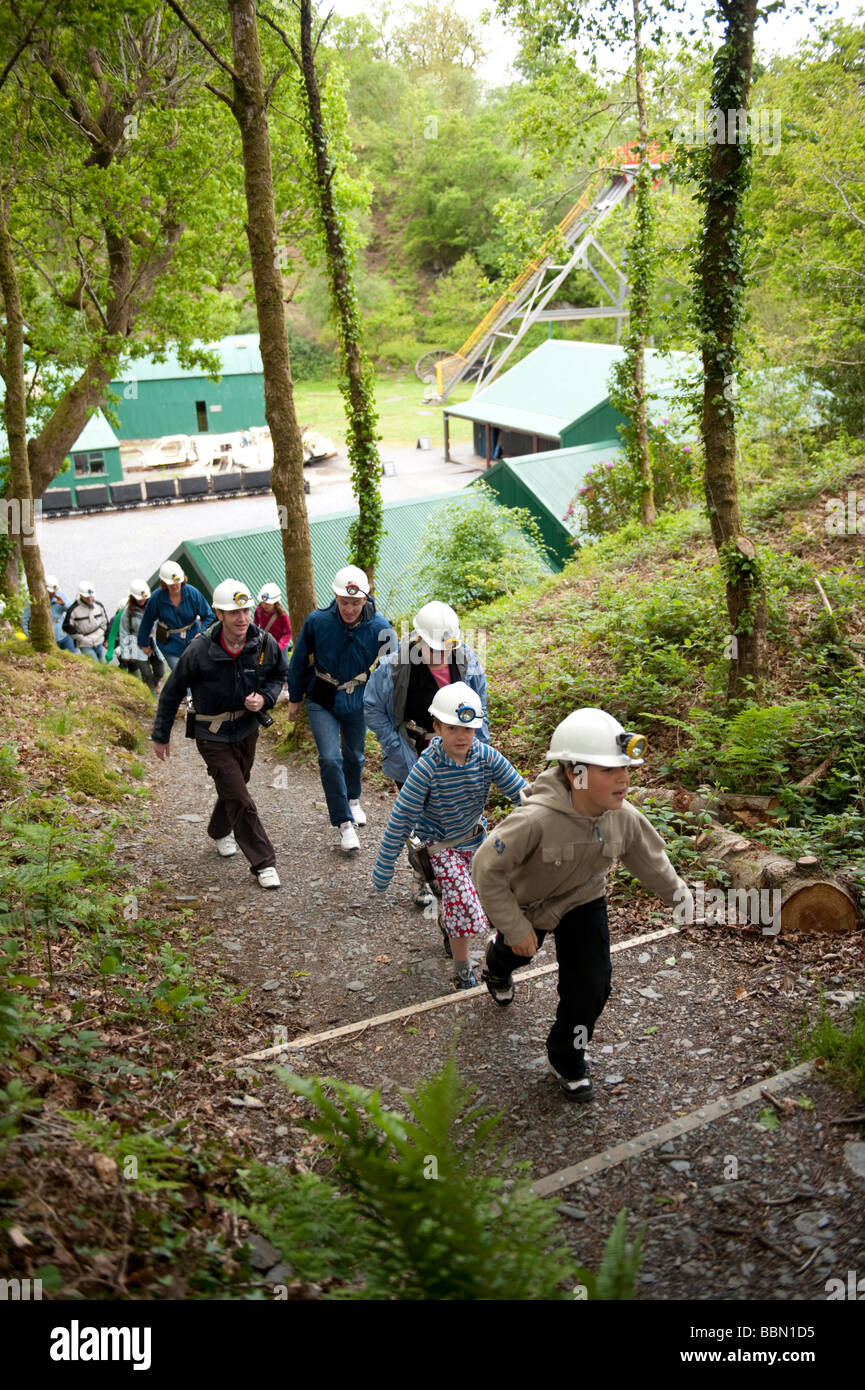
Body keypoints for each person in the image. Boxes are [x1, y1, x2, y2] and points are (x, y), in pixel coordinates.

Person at [472, 708, 694, 1102]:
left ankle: (566, 1054)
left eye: (626, 770)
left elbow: (651, 861)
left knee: (592, 983)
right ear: (576, 774)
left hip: (583, 898)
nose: (624, 779)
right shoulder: (535, 820)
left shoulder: (622, 818)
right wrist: (515, 926)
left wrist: (680, 898)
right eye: (610, 770)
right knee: (520, 953)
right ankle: (497, 961)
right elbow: (486, 867)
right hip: (530, 906)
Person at [371, 683, 526, 990]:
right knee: (465, 901)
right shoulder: (426, 767)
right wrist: (384, 865)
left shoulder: (487, 757)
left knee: (506, 895)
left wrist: (551, 815)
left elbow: (521, 792)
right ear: (437, 727)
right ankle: (461, 971)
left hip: (477, 839)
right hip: (440, 846)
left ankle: (496, 960)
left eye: (468, 729)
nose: (461, 736)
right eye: (452, 728)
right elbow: (402, 816)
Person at [151, 579, 287, 890]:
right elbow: (171, 693)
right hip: (211, 734)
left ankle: (218, 830)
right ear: (219, 614)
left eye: (245, 610)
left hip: (247, 729)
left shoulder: (263, 642)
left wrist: (265, 698)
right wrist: (161, 735)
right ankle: (264, 863)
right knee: (240, 796)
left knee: (236, 786)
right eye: (233, 612)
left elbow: (280, 674)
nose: (242, 618)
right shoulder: (199, 649)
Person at [364, 600, 488, 904]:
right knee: (420, 823)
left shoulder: (465, 659)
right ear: (417, 639)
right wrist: (396, 746)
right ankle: (424, 877)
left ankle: (454, 879)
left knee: (452, 821)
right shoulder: (396, 666)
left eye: (446, 648)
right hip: (412, 751)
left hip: (457, 751)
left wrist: (481, 753)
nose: (442, 655)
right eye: (435, 648)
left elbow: (479, 706)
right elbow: (372, 707)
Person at [287, 565, 395, 853]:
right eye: (344, 602)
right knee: (330, 758)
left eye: (355, 603)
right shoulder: (317, 621)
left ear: (366, 599)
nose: (349, 609)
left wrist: (391, 706)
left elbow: (393, 670)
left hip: (358, 697)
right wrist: (295, 698)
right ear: (335, 596)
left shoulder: (381, 628)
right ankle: (344, 823)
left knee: (355, 755)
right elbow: (298, 660)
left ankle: (354, 799)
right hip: (321, 698)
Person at [138, 561, 214, 673]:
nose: (175, 586)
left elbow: (208, 616)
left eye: (177, 582)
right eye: (171, 583)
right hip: (170, 645)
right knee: (182, 677)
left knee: (198, 675)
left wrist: (202, 633)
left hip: (193, 642)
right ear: (164, 582)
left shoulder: (193, 593)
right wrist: (143, 643)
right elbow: (147, 621)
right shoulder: (156, 598)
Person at [117, 582, 164, 693]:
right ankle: (151, 694)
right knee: (146, 673)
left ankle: (154, 685)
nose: (141, 601)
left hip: (153, 640)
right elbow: (124, 631)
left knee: (160, 670)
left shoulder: (154, 605)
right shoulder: (128, 611)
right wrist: (126, 652)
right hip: (135, 642)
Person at [21, 576, 76, 653]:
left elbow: (73, 610)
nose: (54, 593)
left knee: (76, 655)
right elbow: (24, 621)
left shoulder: (60, 594)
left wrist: (64, 604)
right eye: (51, 592)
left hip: (63, 635)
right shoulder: (33, 600)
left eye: (55, 591)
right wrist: (29, 637)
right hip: (48, 639)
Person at [62, 581, 109, 660]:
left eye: (91, 596)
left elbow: (105, 622)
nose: (90, 599)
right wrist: (80, 638)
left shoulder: (99, 606)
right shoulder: (73, 610)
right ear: (81, 595)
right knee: (95, 665)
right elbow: (66, 626)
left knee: (101, 663)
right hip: (85, 643)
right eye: (87, 597)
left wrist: (104, 636)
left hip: (99, 641)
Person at [254, 585, 292, 652]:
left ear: (275, 602)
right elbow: (255, 624)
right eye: (264, 602)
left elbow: (288, 632)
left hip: (280, 646)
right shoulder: (258, 610)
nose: (265, 605)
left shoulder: (282, 615)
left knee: (281, 662)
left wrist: (279, 647)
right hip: (265, 644)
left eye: (269, 603)